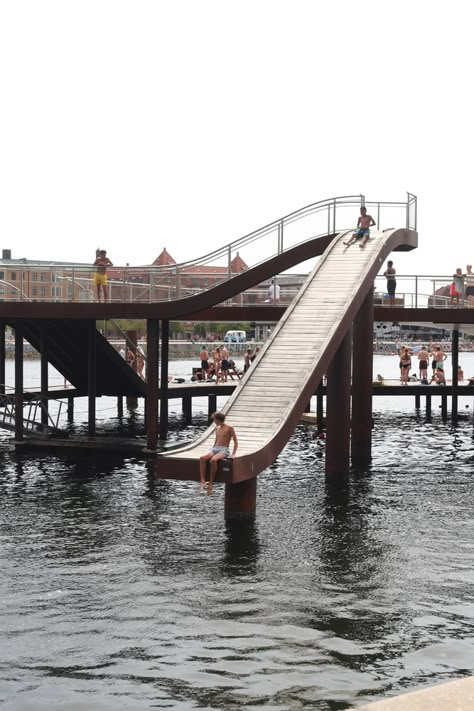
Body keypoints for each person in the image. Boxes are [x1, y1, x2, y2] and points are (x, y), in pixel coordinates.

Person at [199, 412, 238, 495]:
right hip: (215, 449)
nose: (214, 421)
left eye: (214, 420)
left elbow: (235, 441)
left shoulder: (229, 428)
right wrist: (212, 451)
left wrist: (233, 454)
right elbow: (215, 442)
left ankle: (211, 483)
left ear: (218, 419)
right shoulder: (217, 429)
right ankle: (202, 481)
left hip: (224, 450)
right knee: (202, 458)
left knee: (213, 460)